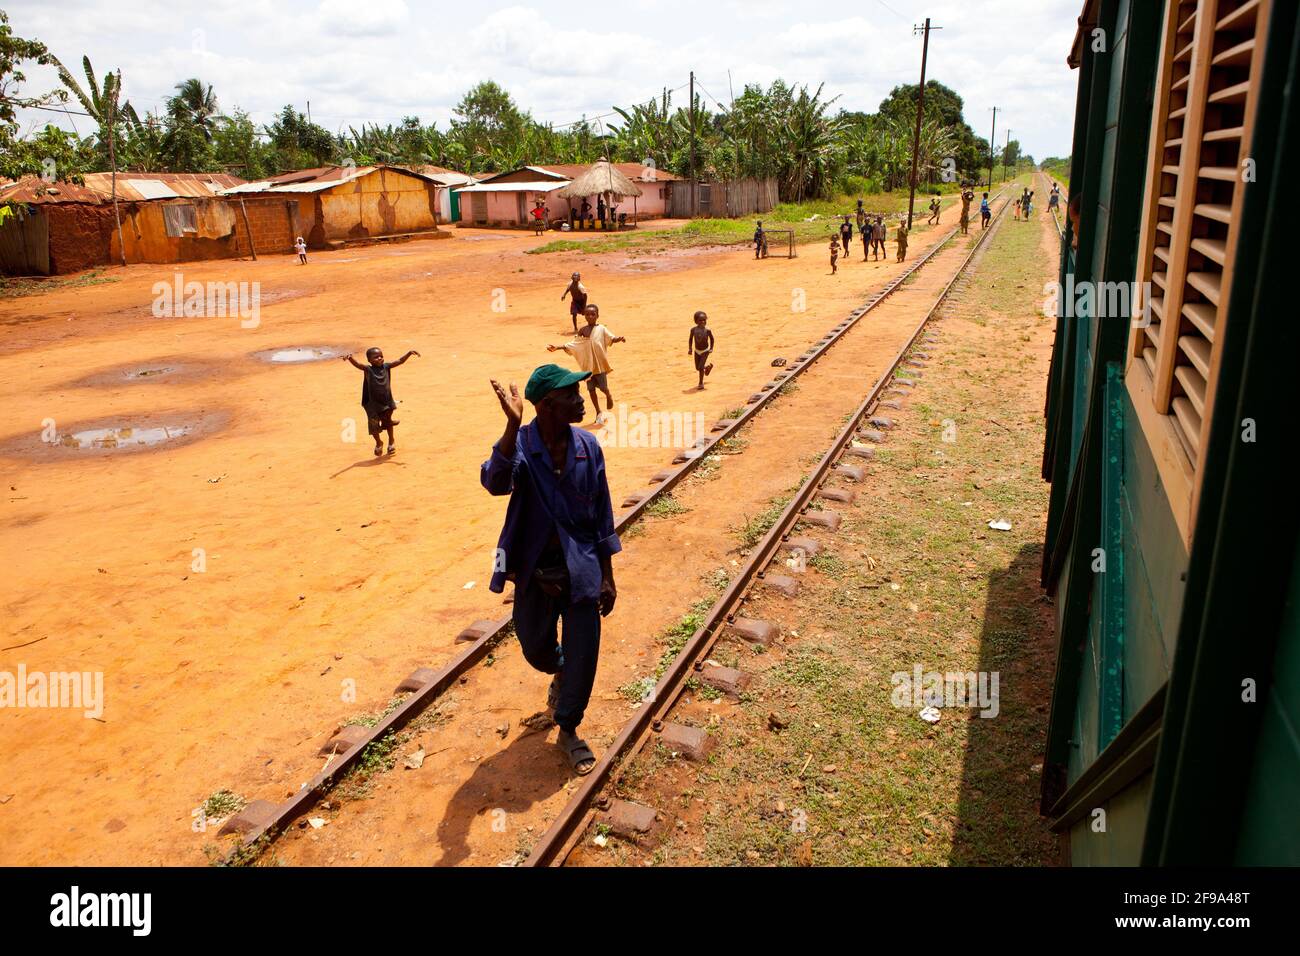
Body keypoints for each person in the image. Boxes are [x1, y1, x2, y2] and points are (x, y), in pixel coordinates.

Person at [483, 366, 621, 776]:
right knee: (535, 645)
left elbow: (602, 512)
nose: (581, 400)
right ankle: (556, 670)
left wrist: (608, 575)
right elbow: (495, 482)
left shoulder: (588, 446)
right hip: (533, 572)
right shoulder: (522, 444)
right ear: (545, 406)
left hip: (581, 570)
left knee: (584, 654)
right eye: (572, 395)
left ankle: (568, 728)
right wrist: (511, 425)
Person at [547, 303, 625, 427]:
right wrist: (558, 347)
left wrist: (618, 339)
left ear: (597, 315)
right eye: (587, 314)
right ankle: (598, 412)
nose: (590, 316)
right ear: (584, 316)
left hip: (599, 366)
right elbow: (575, 344)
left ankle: (608, 394)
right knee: (591, 390)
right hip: (587, 367)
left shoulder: (602, 329)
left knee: (603, 387)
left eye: (593, 314)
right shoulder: (582, 330)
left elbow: (611, 338)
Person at [342, 347, 420, 456]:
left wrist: (408, 354)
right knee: (374, 426)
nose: (379, 358)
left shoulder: (386, 366)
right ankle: (379, 443)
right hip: (372, 404)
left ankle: (391, 441)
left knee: (387, 422)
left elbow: (399, 361)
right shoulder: (368, 369)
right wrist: (350, 358)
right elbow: (359, 365)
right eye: (376, 357)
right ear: (369, 360)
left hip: (386, 401)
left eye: (381, 356)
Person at [688, 310, 715, 390]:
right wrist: (690, 348)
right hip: (697, 351)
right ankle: (707, 368)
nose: (703, 322)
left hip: (705, 351)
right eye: (700, 320)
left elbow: (712, 339)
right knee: (697, 367)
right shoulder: (693, 330)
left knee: (700, 368)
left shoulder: (707, 330)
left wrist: (711, 348)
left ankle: (701, 383)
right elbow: (690, 339)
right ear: (696, 321)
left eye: (704, 320)